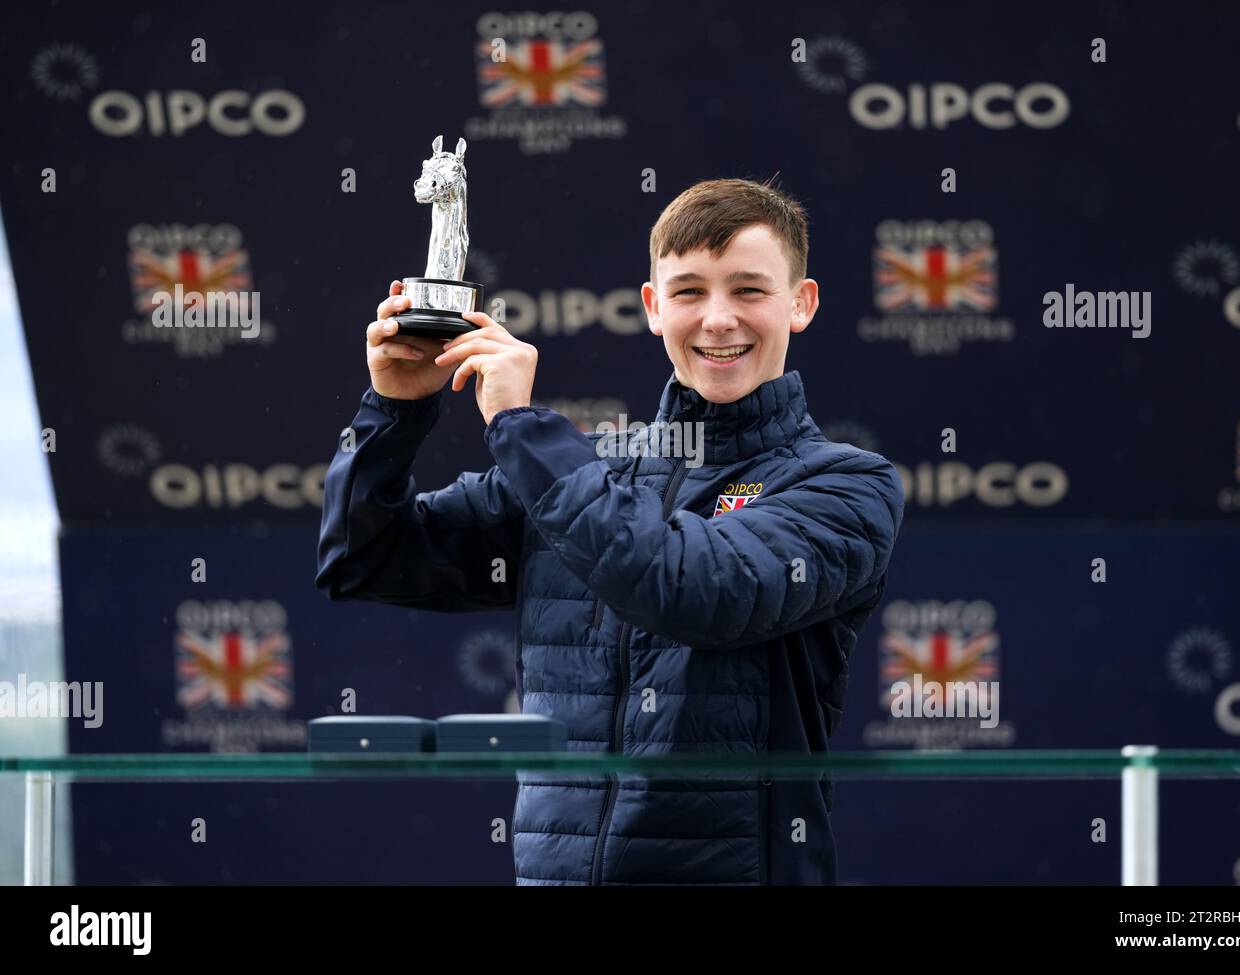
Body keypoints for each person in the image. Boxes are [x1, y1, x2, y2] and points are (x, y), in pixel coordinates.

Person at [316, 177, 904, 885]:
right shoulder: (588, 468)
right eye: (689, 292)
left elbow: (686, 589)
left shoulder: (846, 483)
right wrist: (394, 409)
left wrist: (520, 426)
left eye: (749, 290)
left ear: (800, 304)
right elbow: (364, 557)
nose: (718, 319)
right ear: (654, 308)